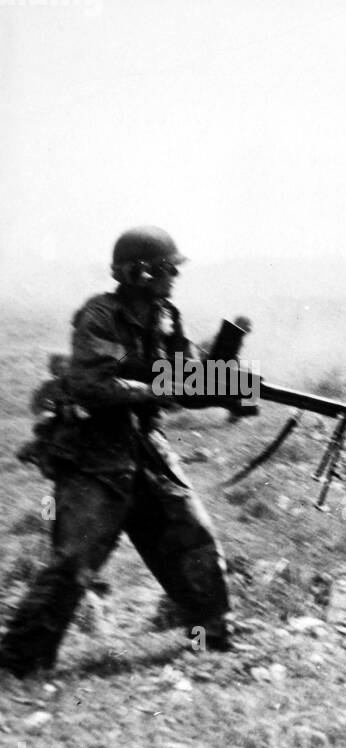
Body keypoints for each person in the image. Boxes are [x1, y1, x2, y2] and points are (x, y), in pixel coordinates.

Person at [0, 226, 251, 678]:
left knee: (192, 537)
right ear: (140, 272)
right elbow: (92, 385)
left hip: (144, 446)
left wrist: (226, 385)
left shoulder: (165, 315)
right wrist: (161, 387)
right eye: (168, 268)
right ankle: (20, 665)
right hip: (93, 451)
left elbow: (185, 380)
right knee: (75, 562)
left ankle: (214, 637)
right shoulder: (98, 315)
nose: (174, 276)